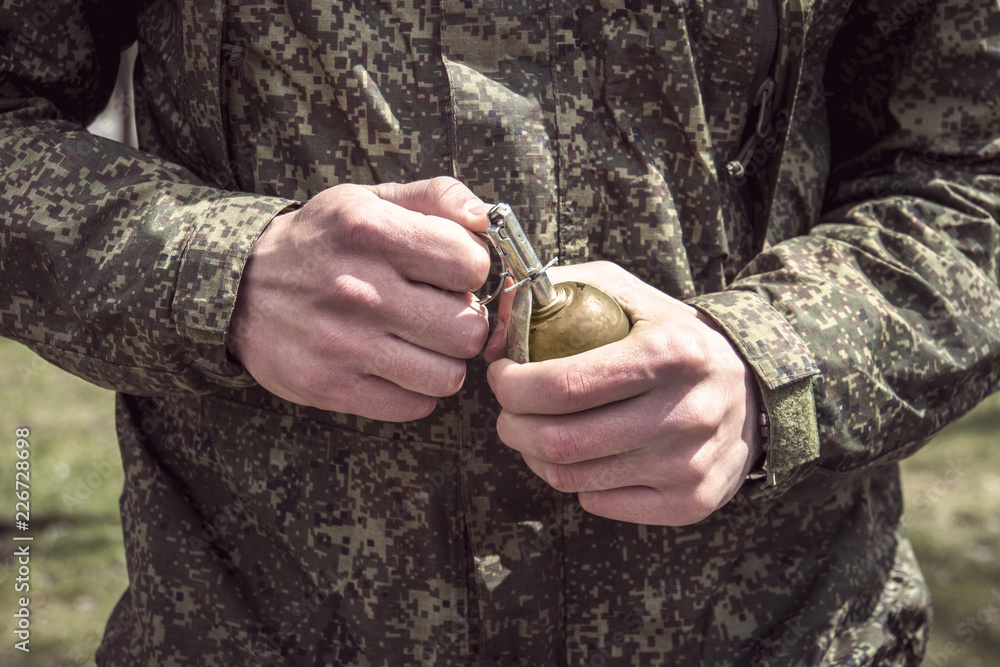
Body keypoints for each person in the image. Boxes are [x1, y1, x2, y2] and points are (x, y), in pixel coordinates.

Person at [2, 0, 998, 664]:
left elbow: (971, 174)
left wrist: (770, 362)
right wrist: (216, 268)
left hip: (780, 632)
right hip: (250, 627)